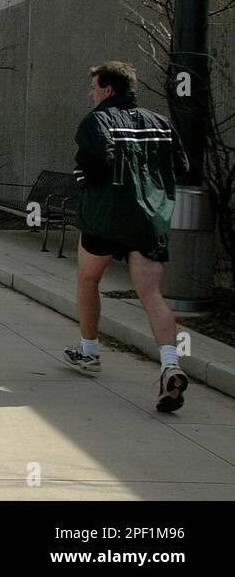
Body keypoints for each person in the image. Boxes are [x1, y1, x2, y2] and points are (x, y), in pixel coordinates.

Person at [63, 61, 191, 412]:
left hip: (105, 218)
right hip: (149, 221)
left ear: (108, 89)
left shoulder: (96, 122)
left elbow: (94, 165)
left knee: (88, 279)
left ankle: (89, 352)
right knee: (151, 294)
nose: (91, 93)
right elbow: (181, 167)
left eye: (94, 87)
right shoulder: (161, 124)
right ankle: (170, 364)